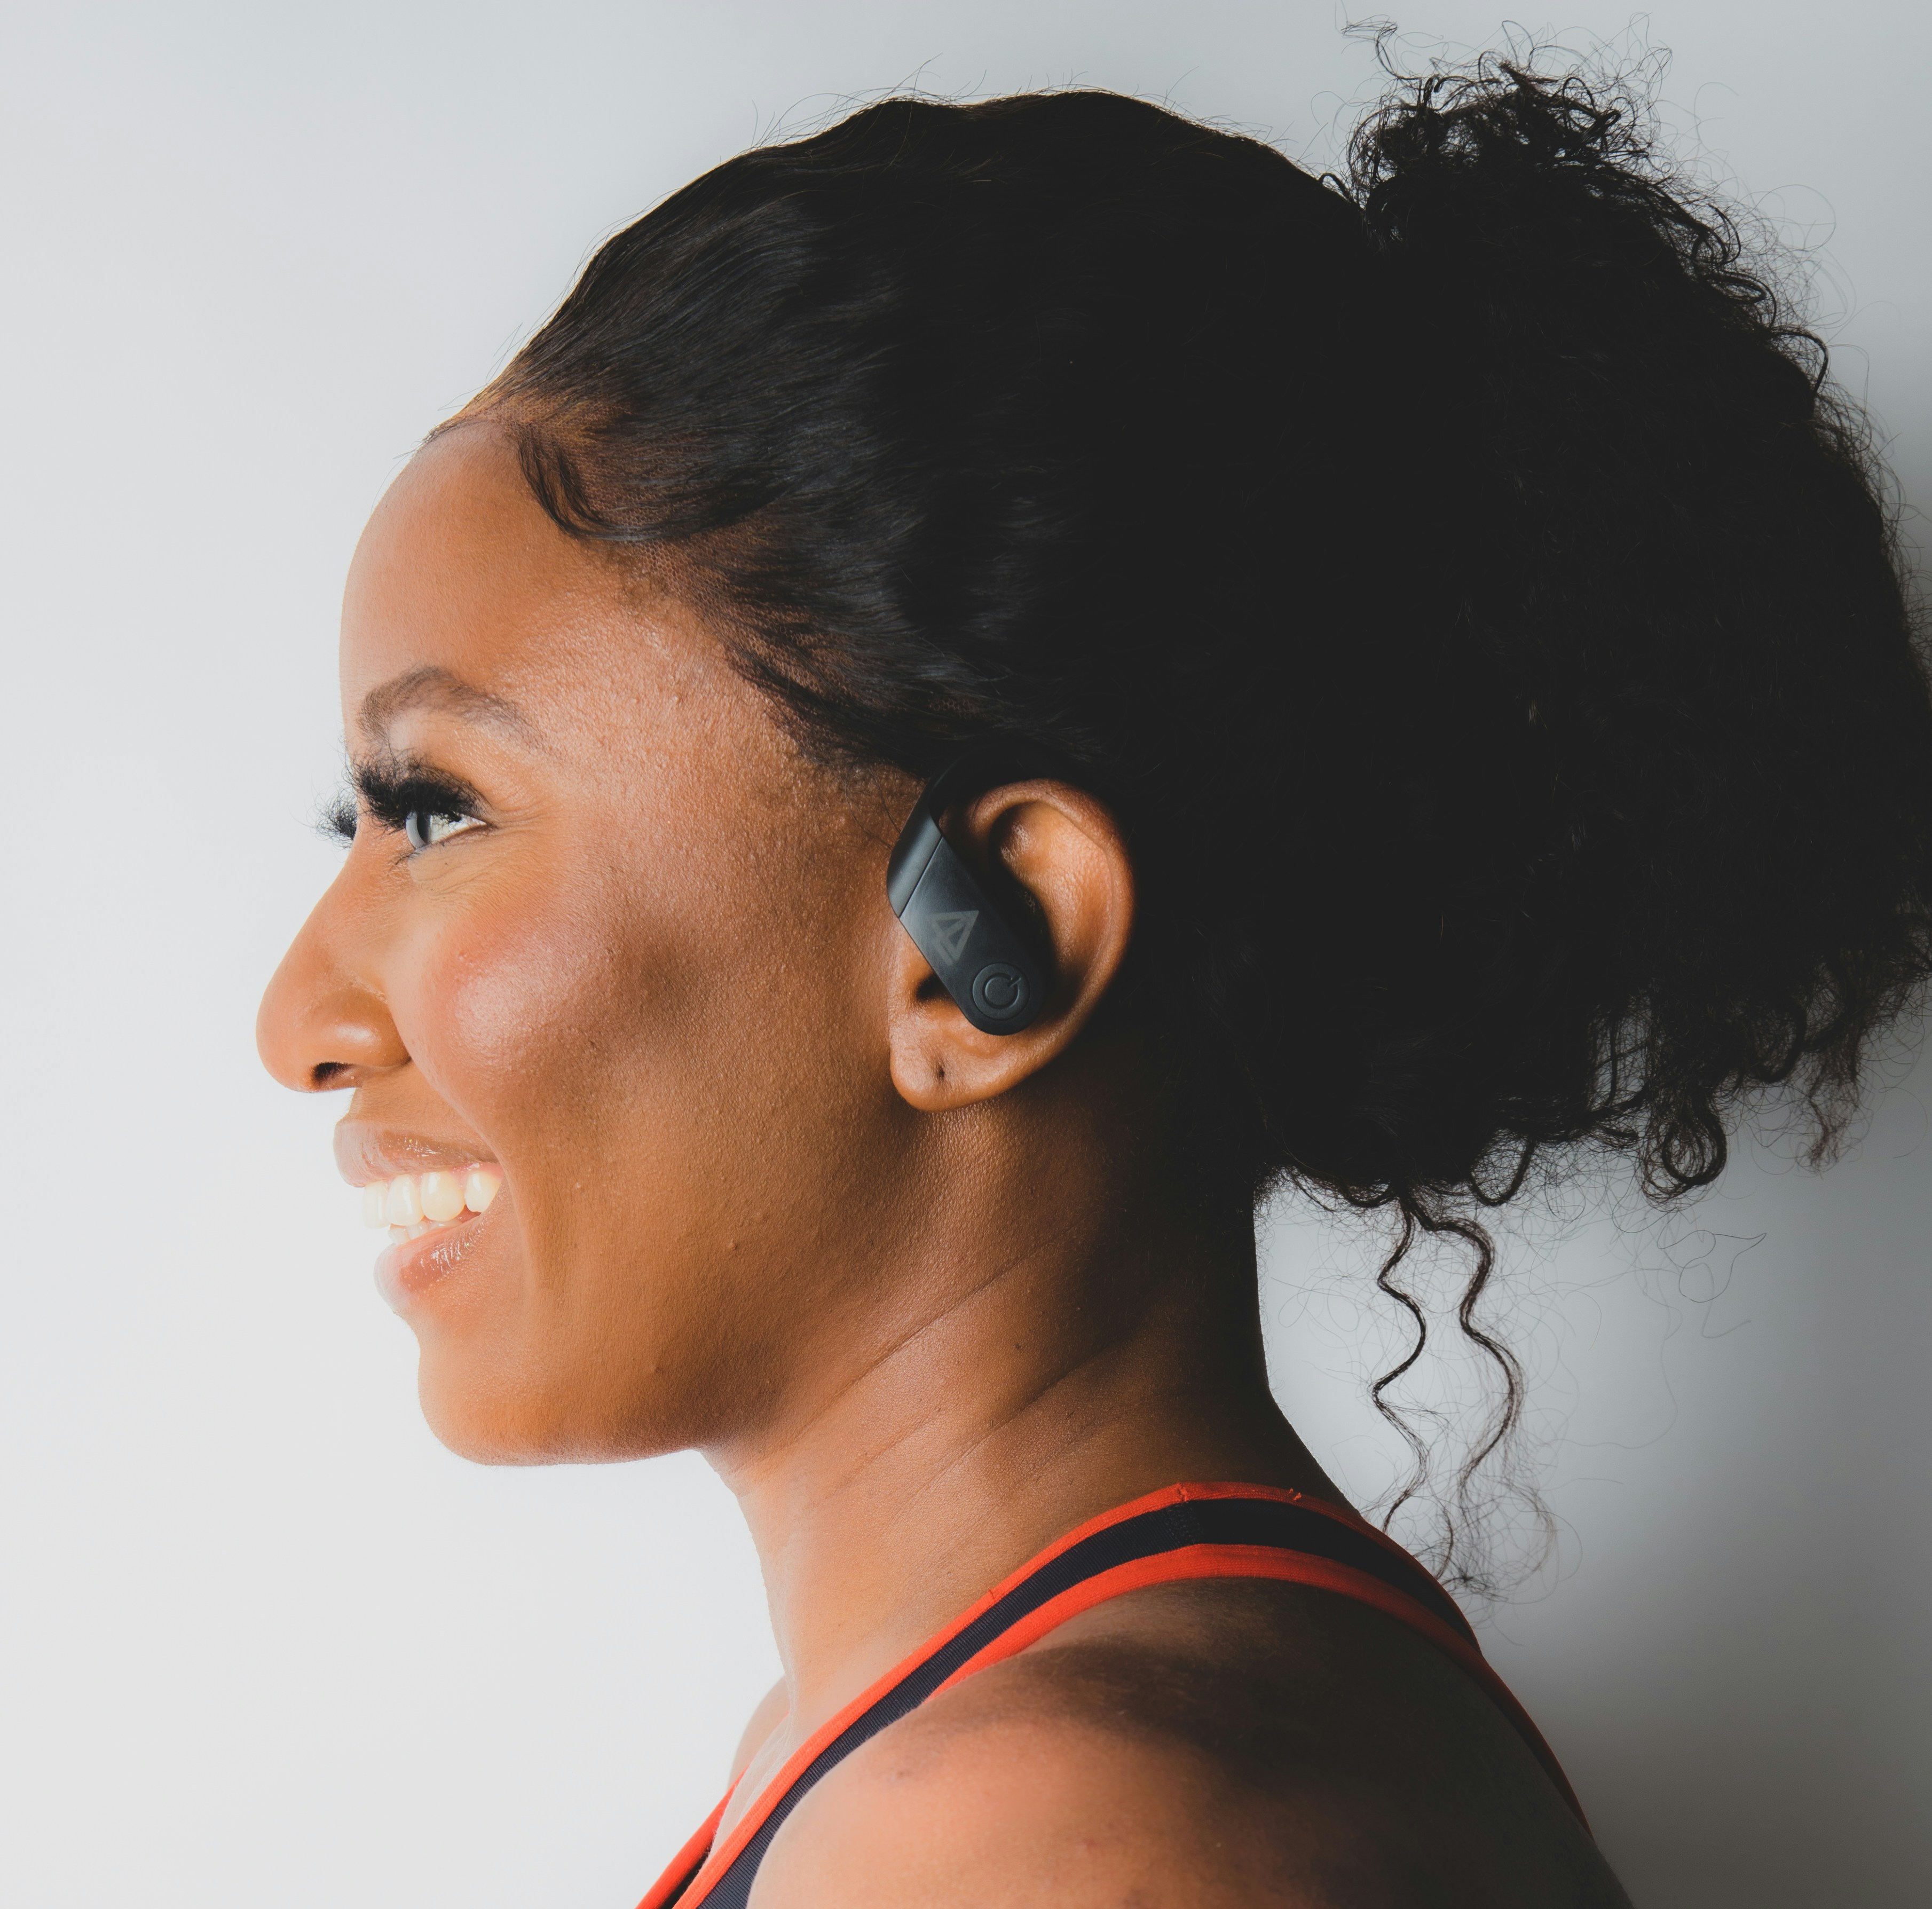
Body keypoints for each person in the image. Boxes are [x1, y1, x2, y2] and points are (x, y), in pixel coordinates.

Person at [256, 57, 1932, 1908]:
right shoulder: (952, 1752)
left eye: (434, 812)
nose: (299, 1024)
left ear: (987, 941)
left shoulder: (1050, 1840)